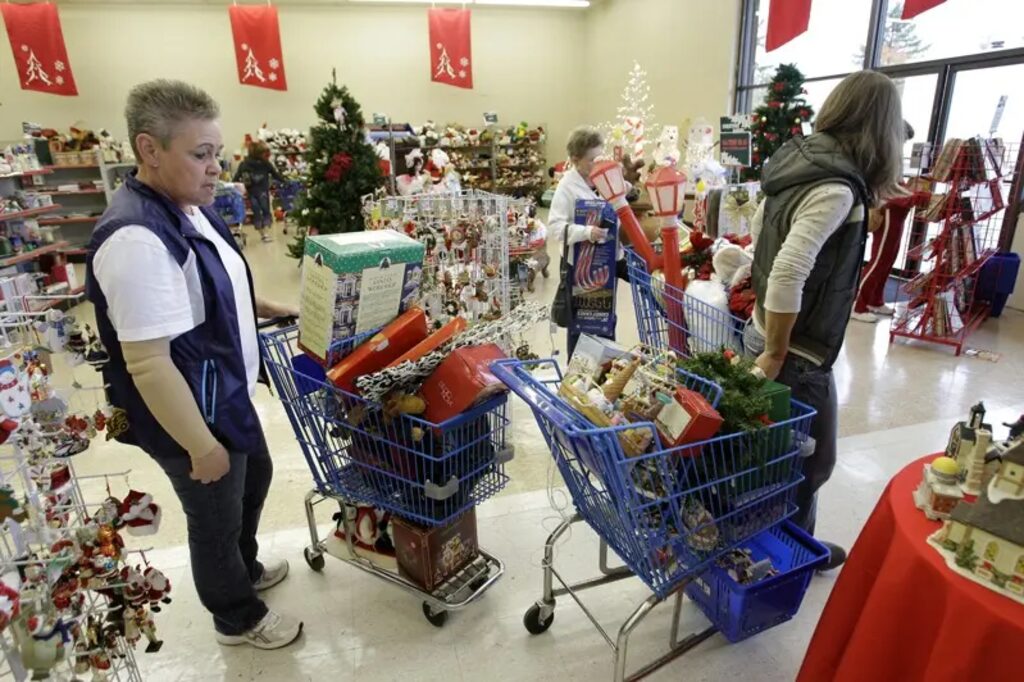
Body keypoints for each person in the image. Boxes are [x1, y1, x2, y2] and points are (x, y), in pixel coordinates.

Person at [85, 80, 302, 649]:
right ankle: (236, 616)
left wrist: (274, 307)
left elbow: (215, 282)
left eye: (218, 154)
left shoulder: (187, 206)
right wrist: (201, 447)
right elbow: (149, 364)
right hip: (189, 415)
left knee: (255, 478)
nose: (216, 168)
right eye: (200, 154)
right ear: (149, 150)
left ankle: (245, 568)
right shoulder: (136, 238)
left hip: (221, 393)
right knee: (214, 518)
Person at [745, 71, 907, 570]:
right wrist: (776, 350)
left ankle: (766, 545)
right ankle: (792, 555)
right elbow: (791, 268)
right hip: (797, 349)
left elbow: (759, 232)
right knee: (812, 462)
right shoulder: (837, 187)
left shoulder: (798, 162)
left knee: (769, 455)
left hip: (763, 329)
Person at [548, 126, 625, 357]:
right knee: (582, 328)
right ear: (575, 159)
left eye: (600, 157)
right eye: (592, 159)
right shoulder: (566, 187)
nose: (597, 164)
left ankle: (606, 380)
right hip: (580, 269)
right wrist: (586, 232)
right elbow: (555, 227)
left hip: (606, 264)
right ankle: (577, 383)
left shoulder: (601, 180)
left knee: (605, 321)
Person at [852, 122, 931, 323]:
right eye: (903, 138)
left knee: (888, 259)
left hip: (897, 212)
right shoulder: (882, 155)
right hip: (887, 211)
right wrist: (912, 197)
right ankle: (857, 305)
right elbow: (882, 189)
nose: (903, 142)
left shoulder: (892, 155)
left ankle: (875, 300)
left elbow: (895, 185)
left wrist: (912, 193)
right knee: (879, 260)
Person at [234, 141, 285, 243]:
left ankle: (263, 233)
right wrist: (285, 181)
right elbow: (276, 175)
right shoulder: (265, 164)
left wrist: (234, 187)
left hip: (250, 192)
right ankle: (265, 233)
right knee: (265, 211)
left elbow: (236, 178)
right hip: (262, 192)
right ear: (259, 153)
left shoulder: (244, 164)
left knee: (257, 212)